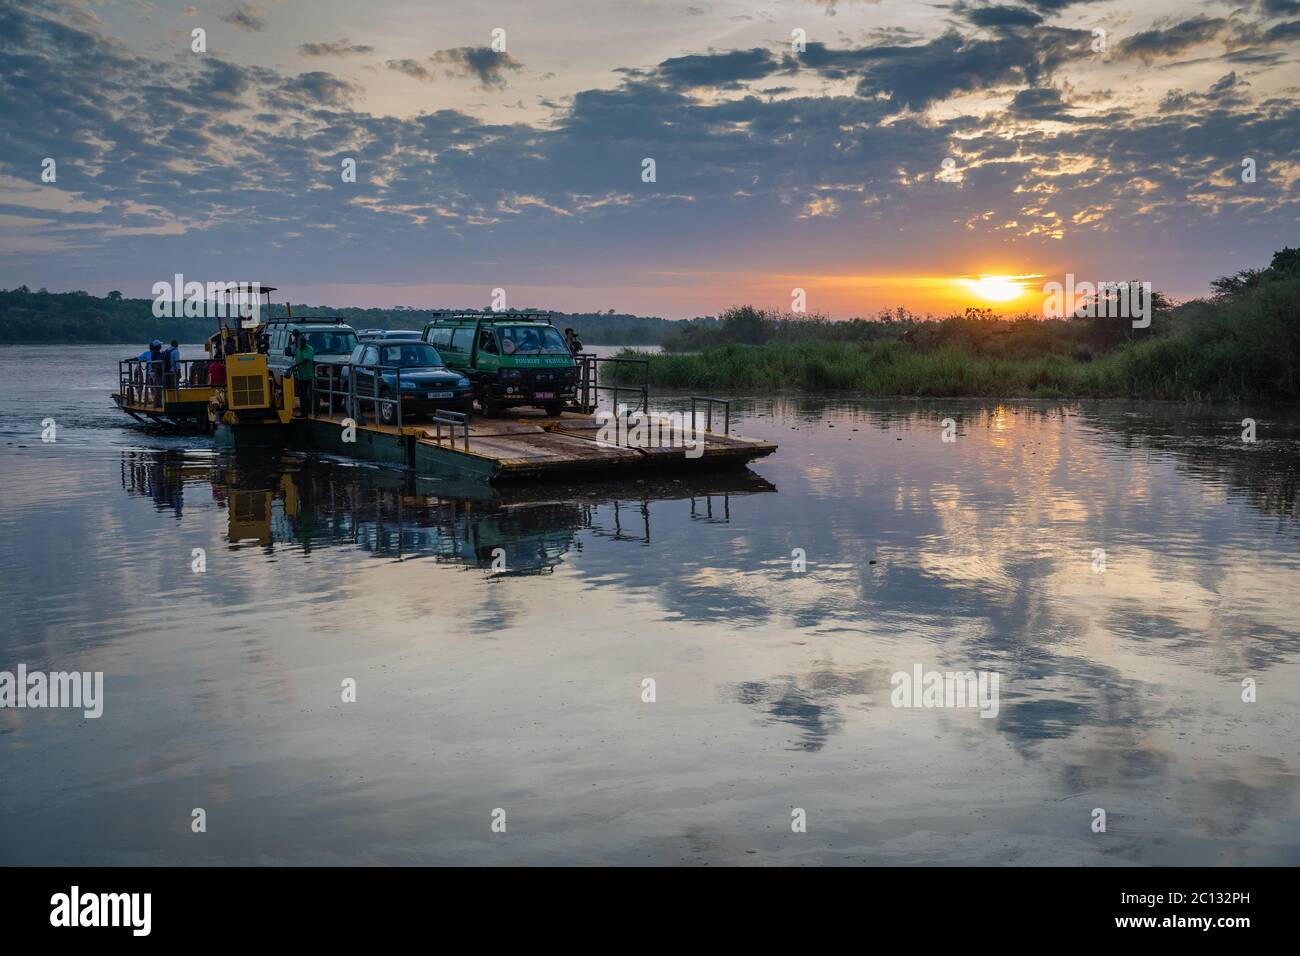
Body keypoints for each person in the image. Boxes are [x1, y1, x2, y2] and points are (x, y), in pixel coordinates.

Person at [292, 332, 315, 416]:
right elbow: (296, 359)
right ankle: (303, 412)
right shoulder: (298, 350)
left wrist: (296, 365)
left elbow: (306, 360)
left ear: (306, 342)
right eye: (301, 342)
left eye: (303, 341)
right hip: (301, 377)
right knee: (302, 396)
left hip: (309, 376)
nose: (302, 343)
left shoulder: (309, 349)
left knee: (311, 395)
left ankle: (313, 411)